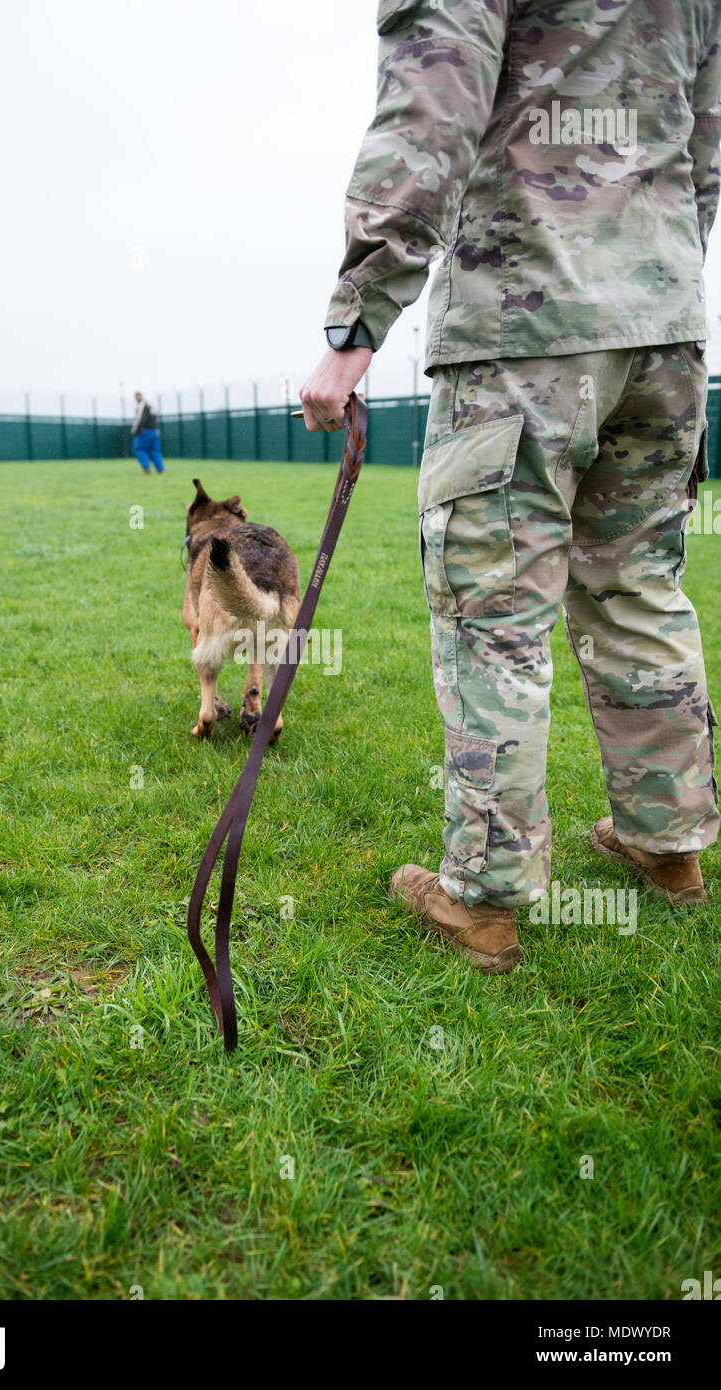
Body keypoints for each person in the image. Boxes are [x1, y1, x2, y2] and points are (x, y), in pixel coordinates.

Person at [300, 0, 721, 973]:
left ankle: (484, 899)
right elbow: (706, 146)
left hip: (522, 328)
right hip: (662, 326)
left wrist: (358, 317)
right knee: (639, 585)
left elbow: (431, 105)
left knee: (494, 613)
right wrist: (651, 271)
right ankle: (668, 844)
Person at [131, 391, 164, 474]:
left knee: (139, 449)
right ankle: (160, 469)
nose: (137, 398)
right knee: (154, 450)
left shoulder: (142, 406)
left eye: (138, 396)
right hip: (154, 432)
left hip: (144, 431)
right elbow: (154, 419)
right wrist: (156, 429)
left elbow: (140, 420)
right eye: (136, 396)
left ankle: (146, 468)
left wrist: (135, 431)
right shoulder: (151, 407)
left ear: (142, 396)